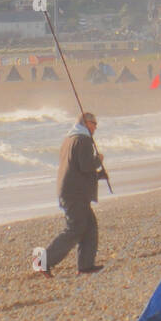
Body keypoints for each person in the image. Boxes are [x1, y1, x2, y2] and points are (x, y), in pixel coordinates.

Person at [40, 112, 108, 277]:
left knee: (90, 227)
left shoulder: (69, 139)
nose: (95, 127)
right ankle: (43, 262)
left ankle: (86, 266)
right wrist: (98, 159)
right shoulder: (82, 139)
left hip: (71, 190)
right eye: (93, 123)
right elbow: (86, 166)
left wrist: (98, 175)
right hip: (75, 193)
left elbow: (76, 168)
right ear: (85, 122)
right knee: (75, 228)